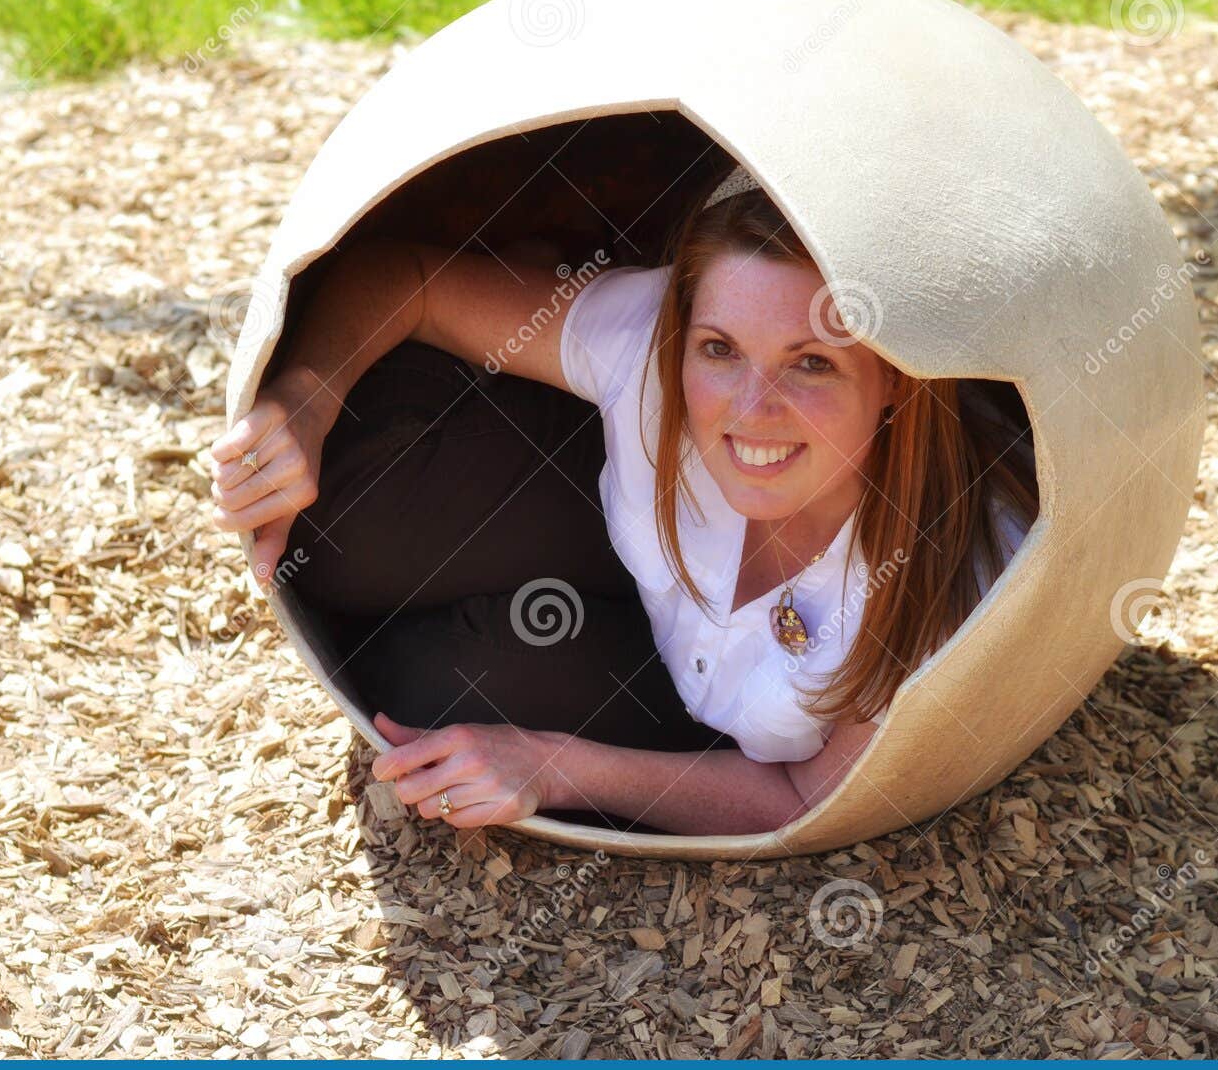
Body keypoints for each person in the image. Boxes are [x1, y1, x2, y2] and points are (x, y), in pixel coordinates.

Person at [208, 164, 1038, 836]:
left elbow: (808, 800)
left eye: (811, 363)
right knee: (334, 534)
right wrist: (304, 401)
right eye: (720, 350)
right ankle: (542, 294)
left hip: (700, 719)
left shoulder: (950, 575)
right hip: (619, 518)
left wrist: (550, 768)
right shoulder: (649, 343)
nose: (754, 408)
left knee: (426, 697)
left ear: (895, 379)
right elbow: (411, 278)